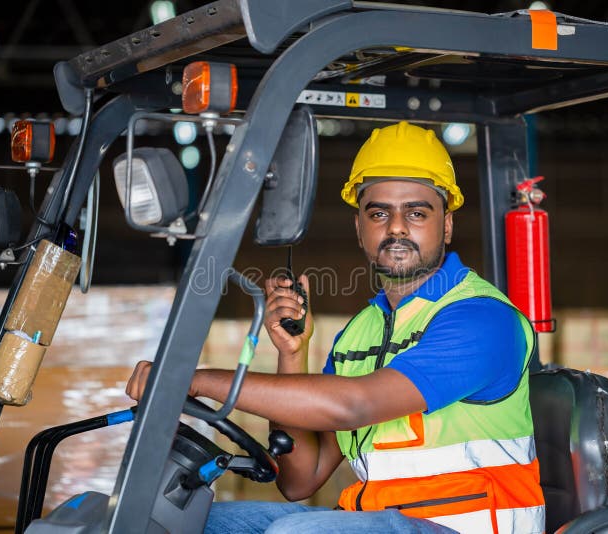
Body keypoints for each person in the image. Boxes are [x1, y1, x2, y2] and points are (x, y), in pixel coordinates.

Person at [126, 121, 545, 534]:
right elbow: (300, 480)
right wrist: (292, 354)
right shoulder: (360, 334)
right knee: (180, 522)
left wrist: (194, 381)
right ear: (359, 227)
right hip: (380, 521)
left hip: (468, 526)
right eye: (379, 213)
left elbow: (354, 405)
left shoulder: (482, 318)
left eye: (417, 213)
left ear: (447, 224)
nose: (396, 227)